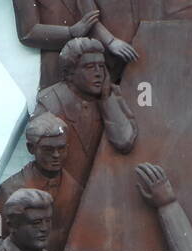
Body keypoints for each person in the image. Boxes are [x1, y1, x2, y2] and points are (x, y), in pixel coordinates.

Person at [33, 37, 137, 187]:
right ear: (69, 73)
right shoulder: (50, 101)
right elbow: (42, 155)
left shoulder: (112, 96)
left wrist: (106, 99)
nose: (98, 73)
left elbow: (125, 142)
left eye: (101, 66)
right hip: (64, 188)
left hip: (104, 187)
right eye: (89, 67)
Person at [0, 113, 84, 251]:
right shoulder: (7, 190)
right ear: (31, 148)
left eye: (61, 148)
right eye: (48, 150)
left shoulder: (75, 190)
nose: (56, 155)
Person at [12, 0, 139, 88]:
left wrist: (110, 41)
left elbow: (90, 17)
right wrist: (70, 32)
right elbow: (28, 32)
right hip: (57, 60)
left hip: (89, 56)